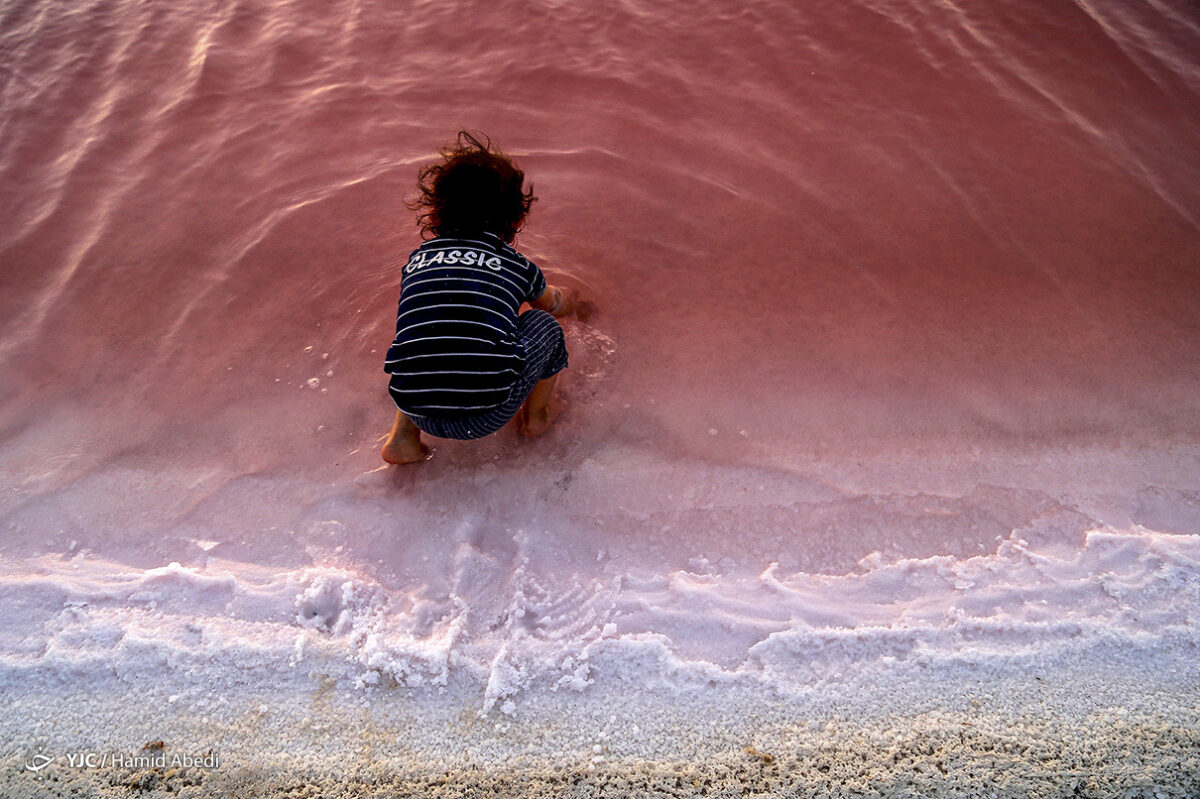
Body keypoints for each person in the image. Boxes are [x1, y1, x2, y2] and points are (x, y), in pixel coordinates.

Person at [380, 131, 578, 464]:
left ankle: (402, 438)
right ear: (515, 219)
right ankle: (535, 420)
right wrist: (577, 304)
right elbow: (552, 305)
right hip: (486, 416)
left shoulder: (417, 261)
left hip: (416, 407)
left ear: (435, 212)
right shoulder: (517, 266)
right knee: (543, 324)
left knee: (424, 331)